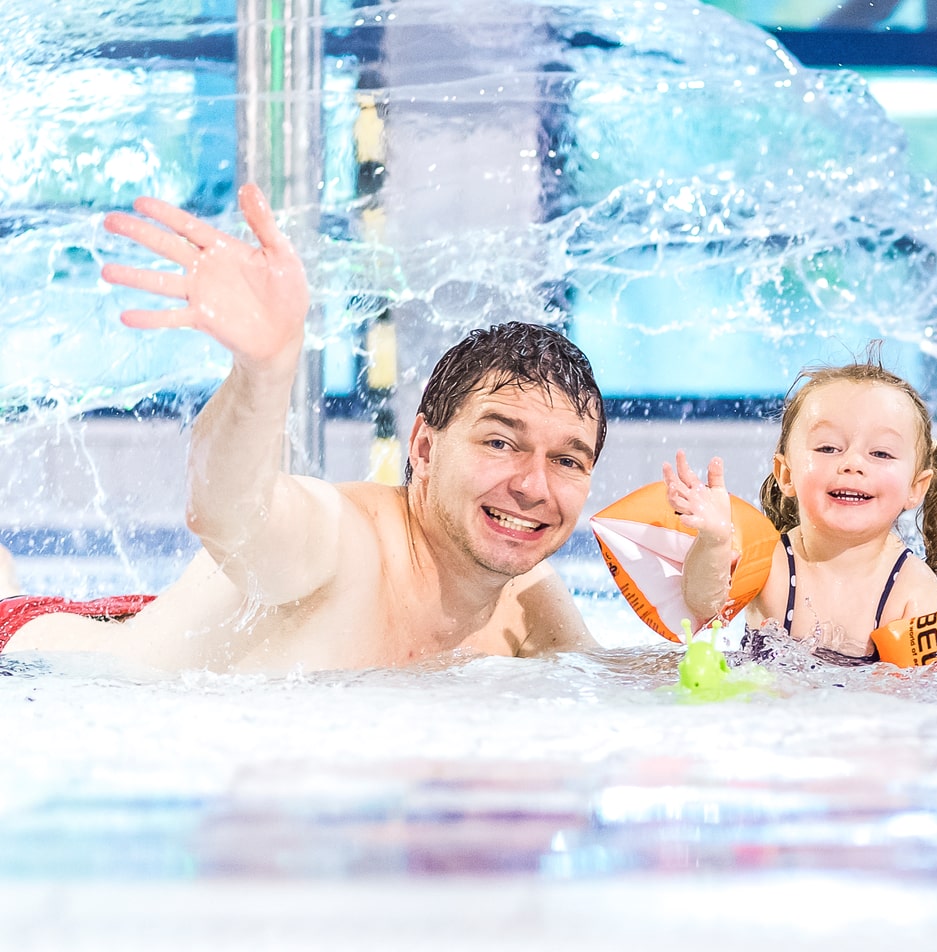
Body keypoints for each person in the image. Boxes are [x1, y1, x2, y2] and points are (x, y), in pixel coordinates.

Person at [0, 184, 600, 671]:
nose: (533, 486)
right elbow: (233, 515)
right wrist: (263, 371)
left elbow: (620, 685)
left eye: (567, 460)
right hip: (36, 651)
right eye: (500, 442)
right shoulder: (344, 545)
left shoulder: (523, 593)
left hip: (195, 623)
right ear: (423, 445)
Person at [667, 357, 937, 665]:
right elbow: (704, 607)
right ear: (786, 474)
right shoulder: (772, 562)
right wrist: (714, 540)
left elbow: (921, 684)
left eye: (881, 453)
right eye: (828, 448)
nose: (852, 463)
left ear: (916, 487)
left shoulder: (911, 587)